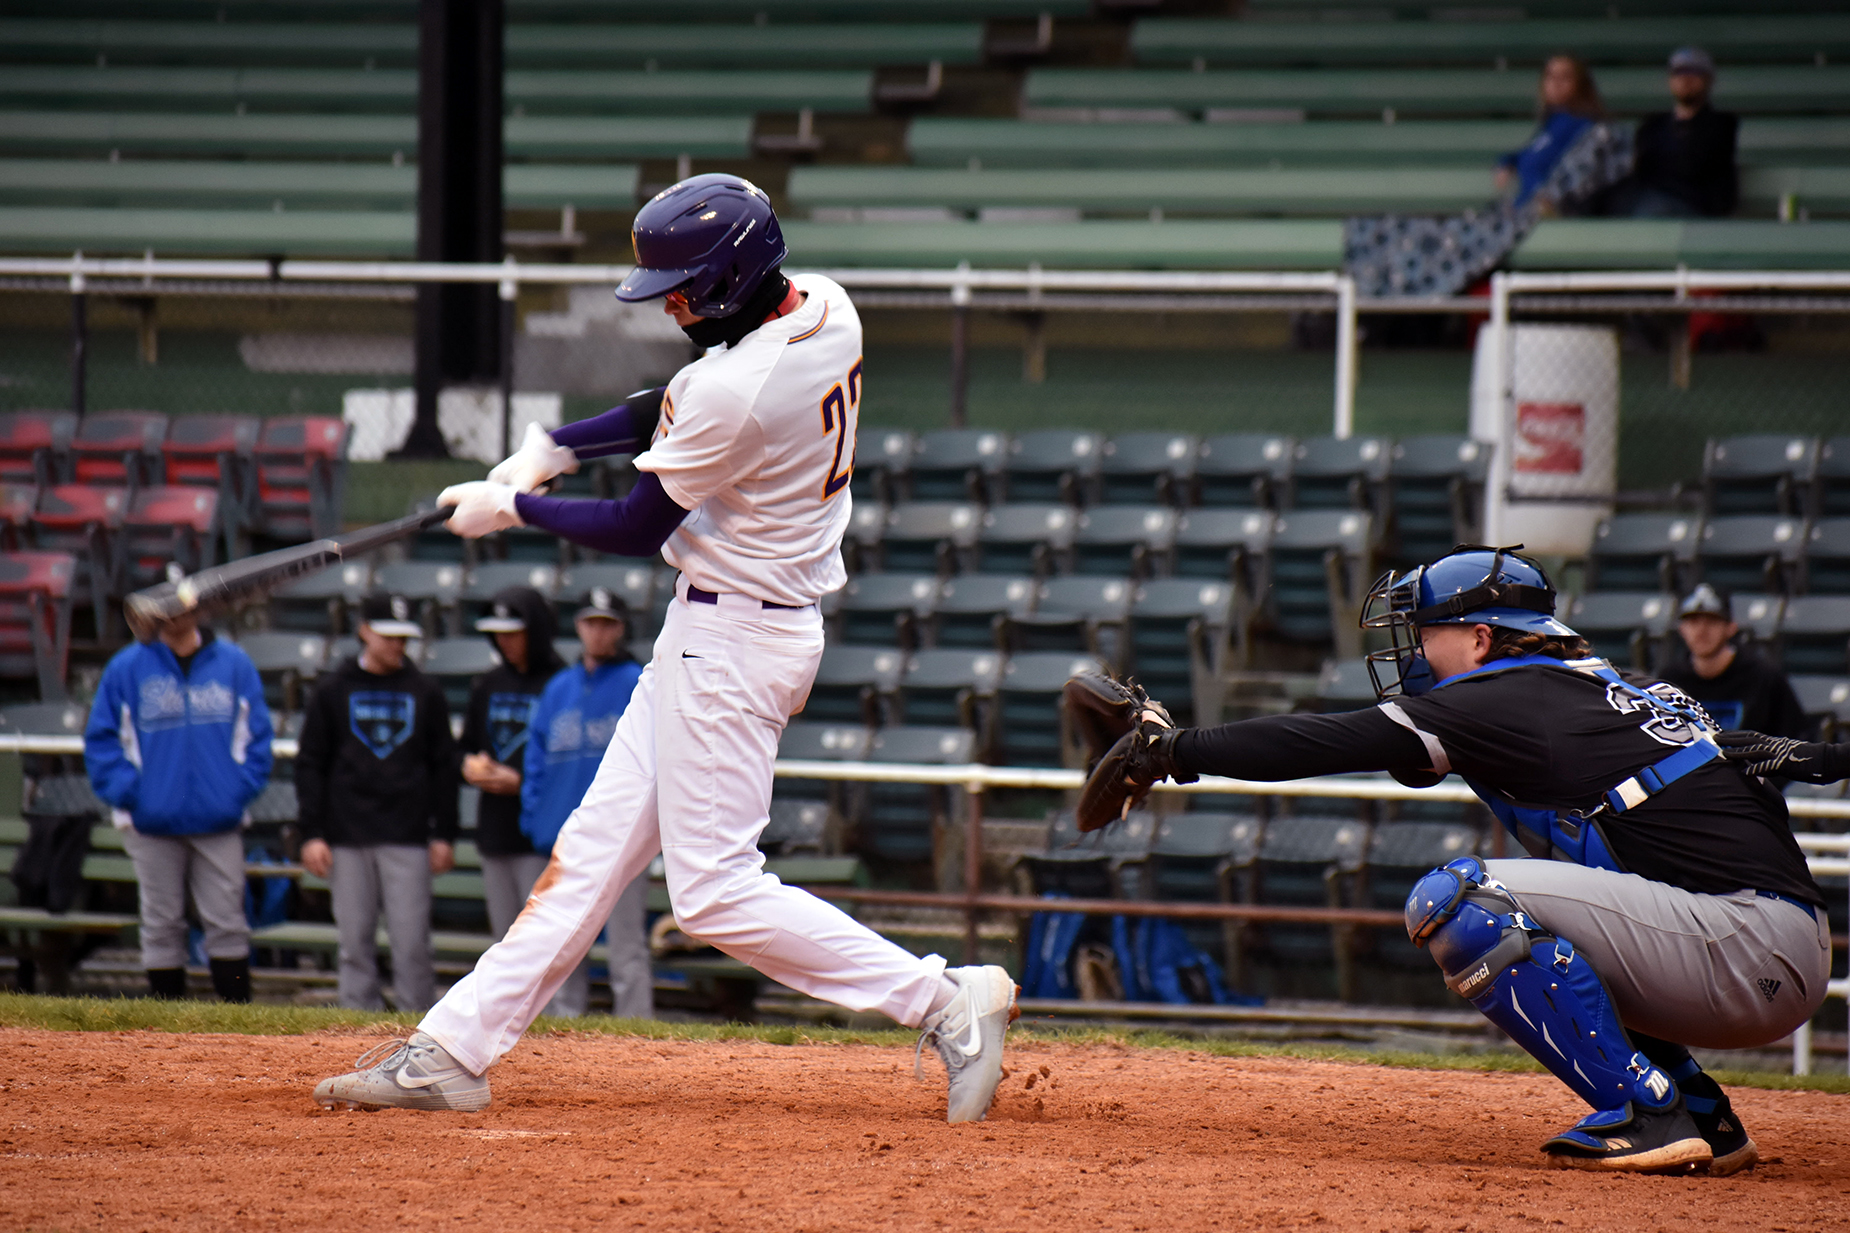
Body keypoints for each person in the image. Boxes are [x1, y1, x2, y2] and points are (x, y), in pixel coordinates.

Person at [314, 173, 1017, 1121]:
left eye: (685, 287)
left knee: (717, 894)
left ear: (731, 280)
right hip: (728, 624)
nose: (673, 304)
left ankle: (944, 1001)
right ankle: (453, 1048)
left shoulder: (741, 389)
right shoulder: (824, 305)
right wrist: (554, 446)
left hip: (735, 637)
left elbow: (640, 520)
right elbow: (672, 400)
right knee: (593, 852)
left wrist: (513, 505)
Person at [1087, 547, 1828, 1174]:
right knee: (1565, 925)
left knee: (1460, 898)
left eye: (1425, 632)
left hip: (1741, 940)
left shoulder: (1509, 692)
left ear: (1480, 637)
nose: (1412, 652)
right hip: (1763, 939)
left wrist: (1174, 749)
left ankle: (1649, 1111)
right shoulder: (1608, 684)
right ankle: (1705, 1117)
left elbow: (1324, 740)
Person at [84, 610, 273, 1002]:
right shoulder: (127, 666)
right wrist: (132, 794)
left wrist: (235, 791)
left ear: (200, 608)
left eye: (183, 606)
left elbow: (258, 737)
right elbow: (102, 740)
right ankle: (166, 1021)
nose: (174, 617)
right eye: (165, 608)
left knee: (227, 921)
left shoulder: (233, 662)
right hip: (151, 821)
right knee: (160, 922)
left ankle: (237, 1018)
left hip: (219, 819)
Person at [296, 594, 458, 1012]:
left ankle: (419, 1026)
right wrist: (312, 832)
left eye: (403, 638)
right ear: (364, 631)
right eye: (388, 636)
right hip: (347, 835)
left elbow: (444, 767)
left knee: (412, 943)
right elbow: (311, 763)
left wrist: (444, 833)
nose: (397, 646)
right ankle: (356, 1021)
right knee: (353, 940)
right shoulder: (333, 690)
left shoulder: (425, 691)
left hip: (407, 835)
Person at [522, 587, 650, 1018]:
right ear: (578, 626)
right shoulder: (559, 687)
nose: (598, 633)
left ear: (621, 629)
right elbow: (535, 758)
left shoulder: (638, 681)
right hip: (564, 837)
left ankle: (637, 1030)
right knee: (561, 943)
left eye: (607, 624)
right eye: (591, 622)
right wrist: (536, 820)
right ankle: (563, 1032)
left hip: (622, 837)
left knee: (626, 947)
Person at [458, 586, 564, 947]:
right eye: (498, 633)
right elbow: (466, 746)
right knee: (504, 941)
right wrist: (470, 766)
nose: (504, 642)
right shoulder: (487, 684)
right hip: (496, 831)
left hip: (543, 835)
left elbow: (569, 763)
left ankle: (561, 1007)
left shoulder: (561, 683)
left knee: (546, 940)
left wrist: (522, 782)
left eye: (513, 633)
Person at [1656, 583, 1808, 737]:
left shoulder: (1763, 678)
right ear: (1681, 629)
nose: (1701, 631)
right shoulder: (1669, 681)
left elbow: (1794, 737)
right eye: (1693, 622)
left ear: (1731, 628)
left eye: (1712, 621)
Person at [1604, 47, 1738, 219]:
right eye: (1679, 72)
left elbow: (1695, 167)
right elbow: (1642, 169)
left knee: (1650, 210)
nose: (1685, 79)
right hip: (1650, 199)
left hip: (1694, 205)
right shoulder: (1653, 124)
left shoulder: (1722, 123)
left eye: (1694, 72)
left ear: (1708, 79)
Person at [1495, 55, 1606, 211]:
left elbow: (1574, 175)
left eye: (1565, 77)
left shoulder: (1585, 126)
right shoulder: (1553, 121)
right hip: (1524, 208)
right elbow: (1531, 152)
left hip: (1548, 217)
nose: (1555, 83)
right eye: (1550, 76)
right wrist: (1507, 162)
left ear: (1580, 84)